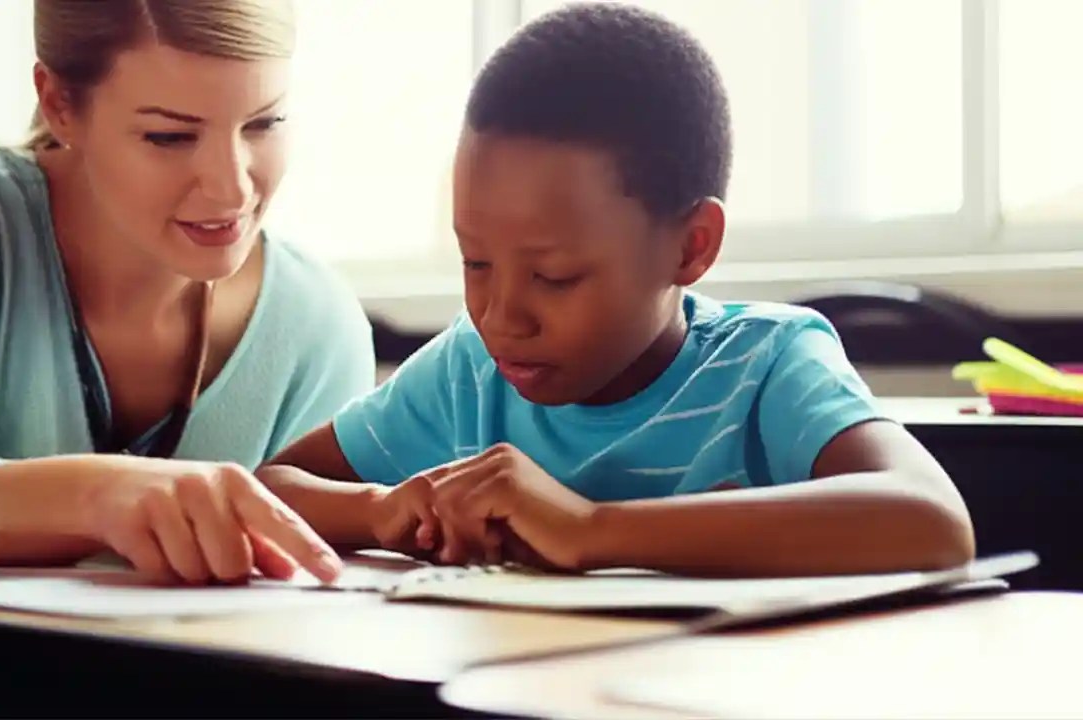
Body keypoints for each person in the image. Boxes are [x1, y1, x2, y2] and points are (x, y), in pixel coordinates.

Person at [257, 2, 976, 576]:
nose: (501, 316)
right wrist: (383, 509)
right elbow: (272, 486)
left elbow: (932, 520)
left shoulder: (766, 366)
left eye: (554, 276)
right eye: (475, 262)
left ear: (691, 247)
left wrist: (591, 529)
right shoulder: (467, 373)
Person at [0, 0, 366, 585]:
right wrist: (102, 497)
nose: (231, 188)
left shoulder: (319, 326)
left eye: (264, 123)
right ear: (59, 104)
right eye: (169, 135)